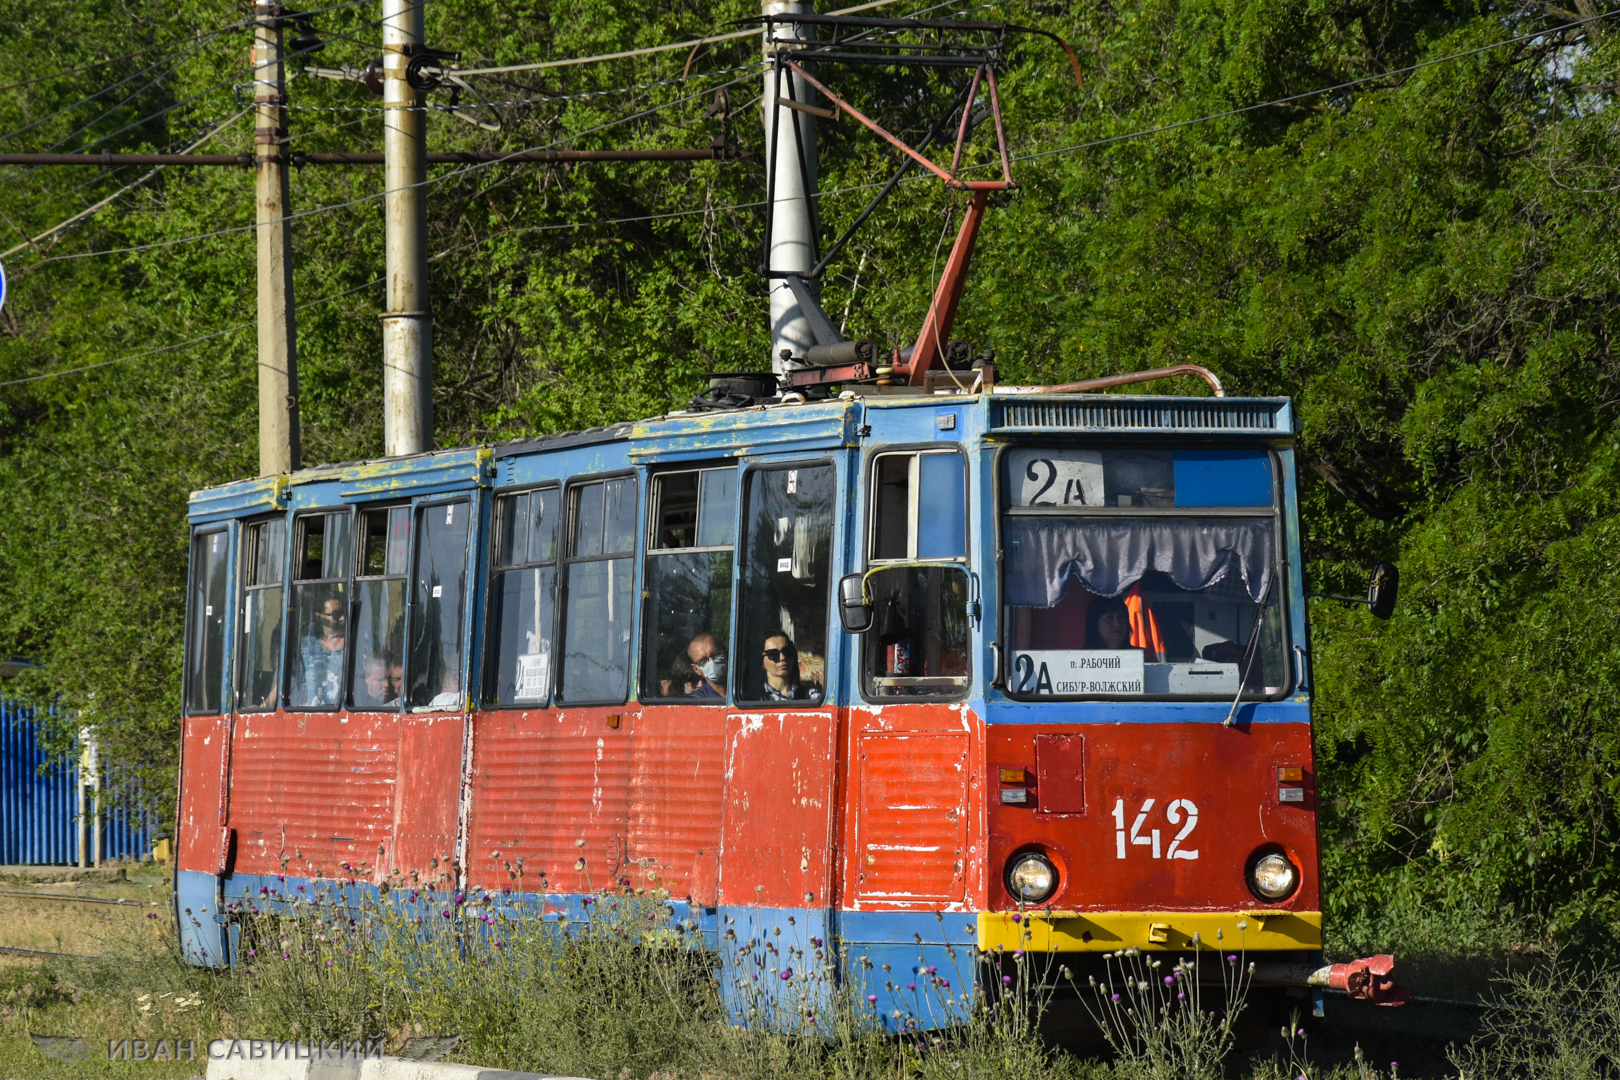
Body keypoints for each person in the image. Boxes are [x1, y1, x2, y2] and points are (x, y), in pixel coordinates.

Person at [296, 595, 345, 706]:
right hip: (310, 717)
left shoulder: (355, 647)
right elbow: (292, 680)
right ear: (319, 617)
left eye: (344, 614)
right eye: (336, 614)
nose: (342, 619)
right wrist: (266, 703)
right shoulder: (307, 646)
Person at [761, 632, 823, 703]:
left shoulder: (813, 697)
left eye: (787, 651)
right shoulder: (752, 699)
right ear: (762, 661)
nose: (782, 657)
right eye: (772, 654)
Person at [686, 632, 726, 699]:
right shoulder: (697, 702)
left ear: (725, 652)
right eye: (703, 660)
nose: (711, 661)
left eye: (715, 654)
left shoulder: (746, 691)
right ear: (696, 669)